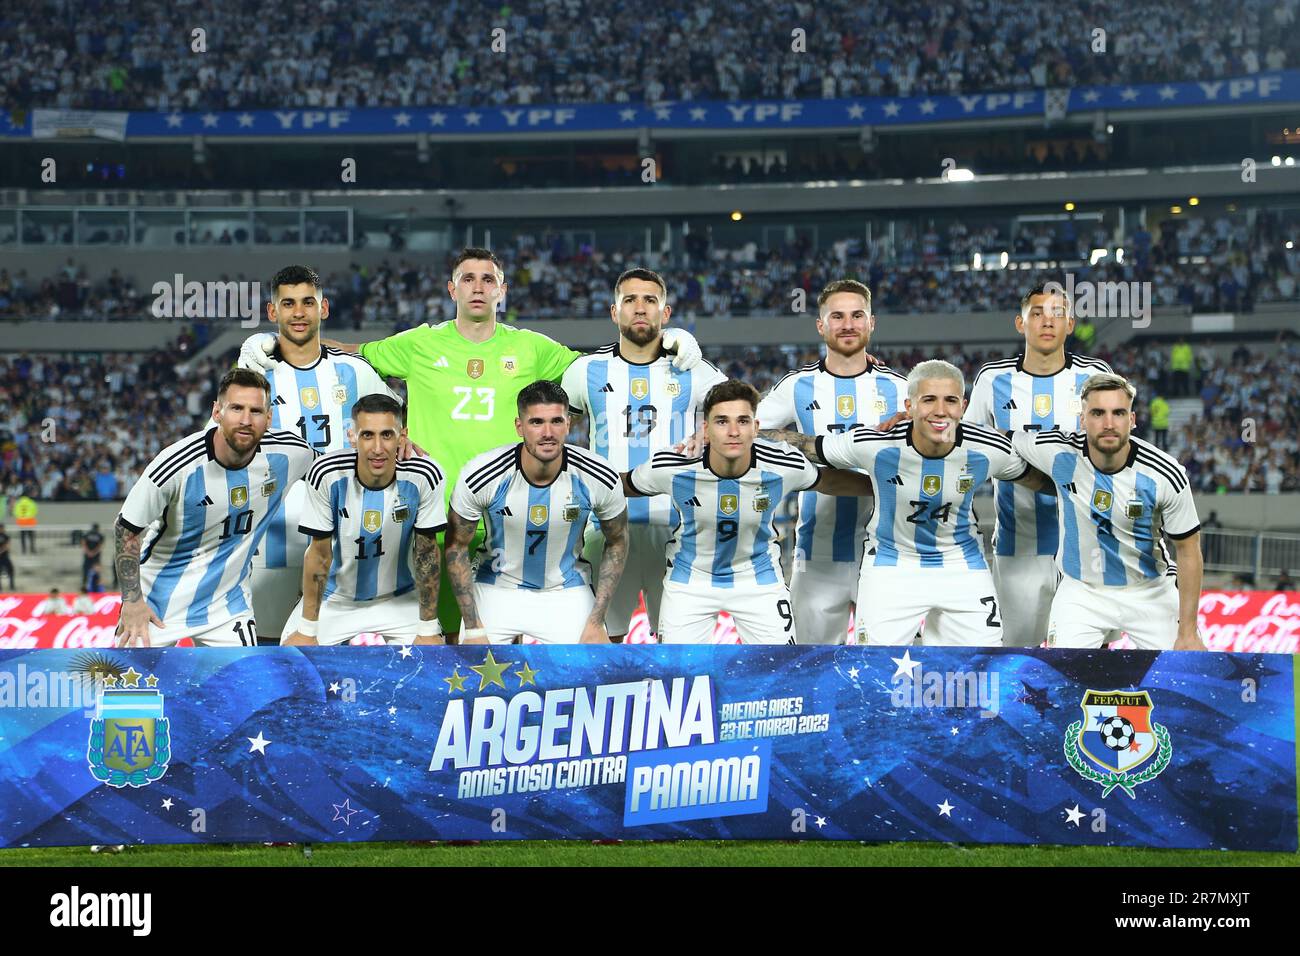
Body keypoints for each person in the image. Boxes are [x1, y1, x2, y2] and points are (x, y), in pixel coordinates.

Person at [239, 248, 703, 637]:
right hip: (433, 514)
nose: (478, 287)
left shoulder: (533, 348)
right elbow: (353, 355)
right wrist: (271, 346)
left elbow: (609, 370)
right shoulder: (419, 344)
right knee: (439, 636)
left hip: (510, 512)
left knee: (508, 632)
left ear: (502, 290)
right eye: (467, 278)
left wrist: (669, 340)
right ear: (452, 289)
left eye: (488, 279)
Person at [775, 361, 1054, 646]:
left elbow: (1042, 480)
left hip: (962, 568)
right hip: (892, 569)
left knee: (982, 669)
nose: (940, 411)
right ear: (909, 406)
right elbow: (807, 446)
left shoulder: (989, 448)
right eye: (928, 400)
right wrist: (739, 437)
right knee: (875, 672)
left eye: (950, 400)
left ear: (963, 406)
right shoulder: (876, 442)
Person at [625, 380, 873, 645]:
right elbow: (622, 485)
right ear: (705, 430)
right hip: (690, 580)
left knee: (778, 670)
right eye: (722, 421)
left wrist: (882, 486)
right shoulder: (672, 466)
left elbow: (830, 481)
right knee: (678, 673)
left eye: (743, 421)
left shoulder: (783, 464)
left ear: (755, 428)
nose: (733, 431)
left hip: (758, 578)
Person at [239, 265, 404, 644]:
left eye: (308, 303)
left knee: (326, 663)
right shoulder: (252, 375)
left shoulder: (354, 372)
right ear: (272, 312)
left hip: (341, 541)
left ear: (323, 309)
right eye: (289, 304)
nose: (299, 313)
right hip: (272, 541)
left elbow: (397, 428)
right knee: (266, 655)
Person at [561, 267, 726, 642]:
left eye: (650, 300)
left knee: (678, 646)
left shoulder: (693, 370)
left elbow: (743, 414)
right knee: (603, 643)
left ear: (665, 314)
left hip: (676, 529)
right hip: (604, 529)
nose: (640, 308)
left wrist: (707, 431)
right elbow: (551, 433)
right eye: (630, 300)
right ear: (613, 312)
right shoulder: (585, 371)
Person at [114, 369, 315, 648]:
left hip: (227, 607)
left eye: (256, 411)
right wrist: (132, 600)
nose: (246, 420)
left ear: (269, 418)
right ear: (217, 412)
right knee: (135, 689)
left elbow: (333, 475)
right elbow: (126, 528)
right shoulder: (176, 465)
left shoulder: (290, 454)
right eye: (236, 408)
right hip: (156, 603)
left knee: (244, 689)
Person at [755, 278, 907, 645]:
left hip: (887, 551)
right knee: (810, 667)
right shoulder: (798, 385)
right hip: (817, 551)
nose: (848, 324)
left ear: (872, 323)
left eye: (857, 315)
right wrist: (807, 452)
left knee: (886, 670)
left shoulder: (901, 388)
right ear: (821, 325)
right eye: (837, 317)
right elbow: (751, 429)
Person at [964, 283, 1114, 647]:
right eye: (1037, 313)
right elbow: (966, 454)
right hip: (1018, 546)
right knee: (1017, 657)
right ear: (1021, 323)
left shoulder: (1095, 376)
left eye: (1057, 314)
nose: (1047, 322)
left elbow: (1113, 449)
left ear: (1071, 324)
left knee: (1086, 659)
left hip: (1086, 547)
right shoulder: (993, 380)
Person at [1011, 373, 1206, 650]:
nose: (1109, 423)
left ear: (1132, 420)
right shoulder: (1057, 451)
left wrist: (1188, 632)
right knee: (1060, 680)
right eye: (1098, 413)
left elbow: (1189, 550)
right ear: (1082, 420)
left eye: (1118, 413)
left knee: (1184, 675)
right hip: (1082, 590)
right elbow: (1004, 442)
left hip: (1149, 590)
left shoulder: (1165, 473)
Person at [445, 380, 629, 644]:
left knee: (591, 670)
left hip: (565, 591)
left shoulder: (597, 475)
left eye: (556, 421)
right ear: (520, 427)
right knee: (475, 678)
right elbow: (456, 548)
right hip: (497, 587)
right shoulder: (481, 474)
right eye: (536, 423)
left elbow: (618, 541)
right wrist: (473, 628)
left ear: (568, 424)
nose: (547, 432)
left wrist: (596, 620)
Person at [284, 394, 447, 646]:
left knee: (434, 664)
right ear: (352, 436)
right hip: (335, 601)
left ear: (402, 437)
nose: (378, 448)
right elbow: (319, 554)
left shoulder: (425, 474)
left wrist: (426, 629)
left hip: (399, 600)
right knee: (293, 661)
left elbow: (426, 554)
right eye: (367, 435)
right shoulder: (326, 472)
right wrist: (307, 629)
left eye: (387, 435)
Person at [82, 522, 105, 593]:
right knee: (94, 570)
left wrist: (88, 552)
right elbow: (100, 545)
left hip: (89, 555)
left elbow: (83, 543)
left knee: (88, 570)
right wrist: (94, 552)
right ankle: (91, 585)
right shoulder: (99, 535)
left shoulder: (87, 534)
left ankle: (87, 584)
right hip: (95, 555)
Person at [13, 489, 37, 554]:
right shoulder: (31, 502)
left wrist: (21, 517)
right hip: (30, 521)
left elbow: (15, 512)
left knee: (22, 537)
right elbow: (34, 512)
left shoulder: (18, 503)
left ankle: (24, 550)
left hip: (21, 521)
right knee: (31, 536)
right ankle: (32, 549)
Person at [0, 524, 13, 591]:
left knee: (10, 570)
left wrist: (1, 551)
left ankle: (11, 586)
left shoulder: (6, 536)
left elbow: (7, 545)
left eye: (2, 528)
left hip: (5, 556)